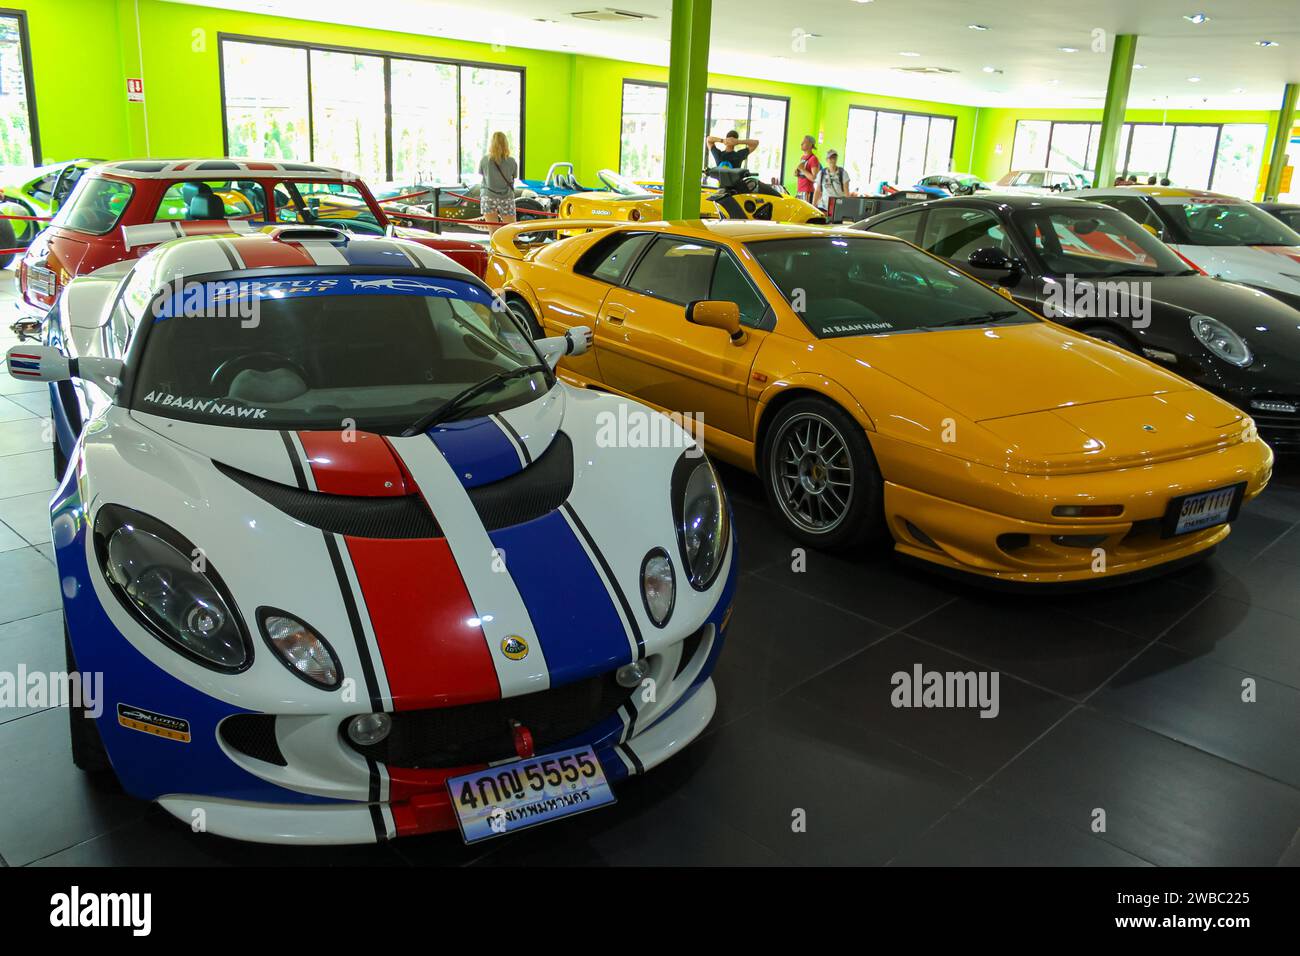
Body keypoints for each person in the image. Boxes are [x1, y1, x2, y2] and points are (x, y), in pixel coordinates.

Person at [478, 131, 518, 233]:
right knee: (510, 231)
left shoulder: (484, 160)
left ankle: (495, 249)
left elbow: (482, 175)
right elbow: (514, 177)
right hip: (506, 197)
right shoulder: (512, 161)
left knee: (493, 232)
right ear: (506, 144)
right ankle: (509, 248)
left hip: (488, 197)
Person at [795, 136, 820, 203]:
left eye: (804, 142)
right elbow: (803, 174)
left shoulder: (813, 159)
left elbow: (815, 178)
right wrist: (797, 173)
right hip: (800, 190)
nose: (801, 143)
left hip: (807, 192)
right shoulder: (803, 157)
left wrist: (802, 170)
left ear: (810, 144)